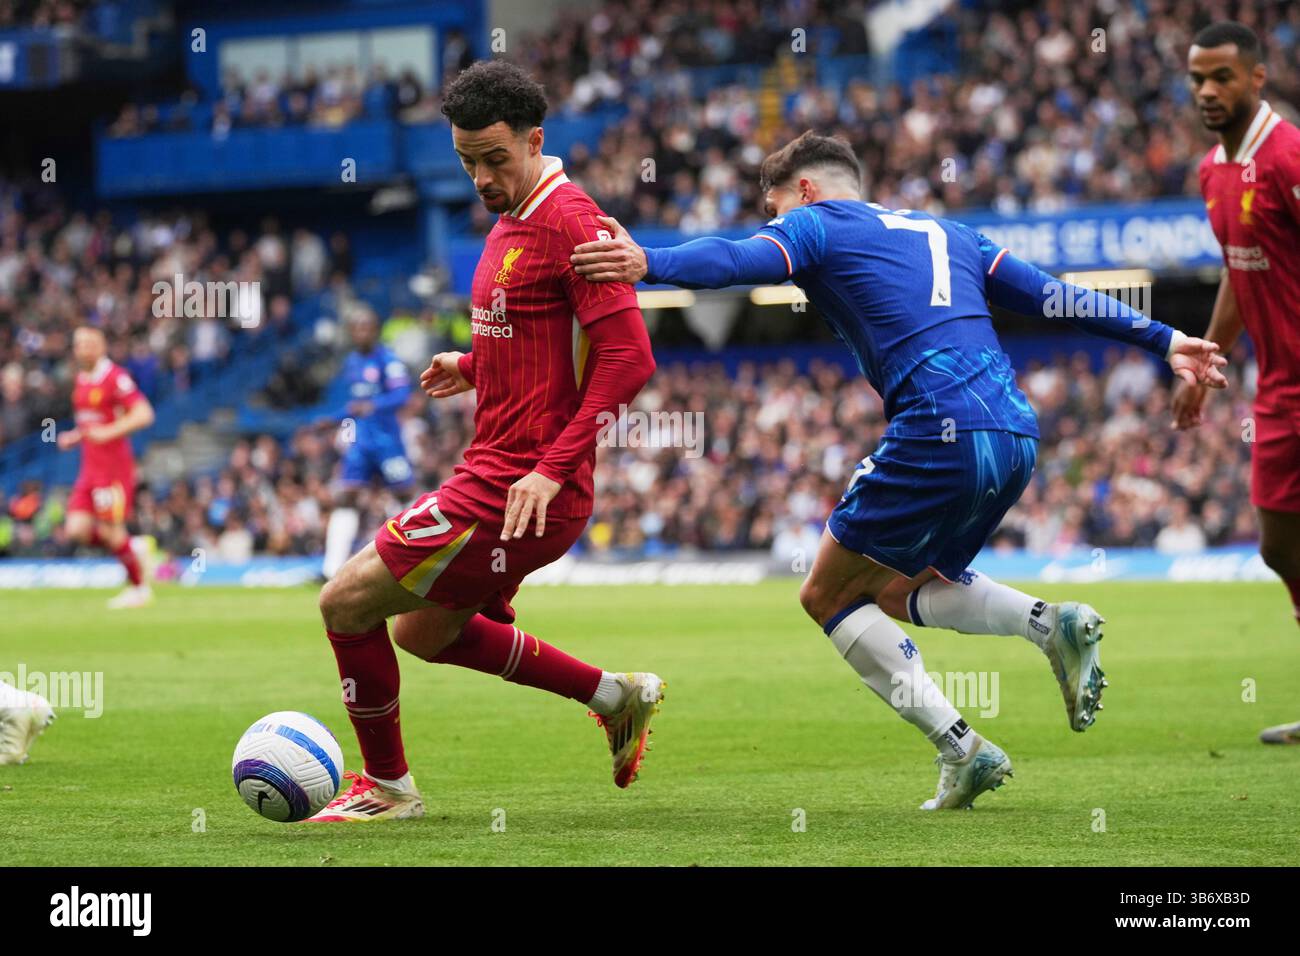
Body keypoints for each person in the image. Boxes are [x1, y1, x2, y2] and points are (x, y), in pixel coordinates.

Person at [571, 130, 1227, 809]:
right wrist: (1167, 339)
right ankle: (1046, 623)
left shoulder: (814, 223)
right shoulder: (954, 234)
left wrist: (649, 260)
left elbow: (738, 259)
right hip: (1015, 431)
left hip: (937, 430)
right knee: (900, 590)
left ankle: (962, 745)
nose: (775, 224)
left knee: (824, 595)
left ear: (803, 190)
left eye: (775, 209)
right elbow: (1055, 296)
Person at [311, 61, 662, 822]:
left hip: (519, 487)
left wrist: (550, 467)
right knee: (424, 631)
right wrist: (474, 364)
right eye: (466, 159)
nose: (479, 175)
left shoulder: (572, 222)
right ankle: (615, 695)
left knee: (344, 603)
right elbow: (543, 339)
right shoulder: (512, 217)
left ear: (536, 140)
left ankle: (387, 790)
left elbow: (631, 359)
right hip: (501, 475)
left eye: (495, 157)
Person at [1174, 21, 1300, 745]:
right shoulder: (1211, 172)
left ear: (1257, 77)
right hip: (1279, 394)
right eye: (1197, 78)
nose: (1208, 91)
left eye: (1222, 76)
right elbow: (1238, 265)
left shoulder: (1287, 157)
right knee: (1281, 547)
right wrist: (1205, 358)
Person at [57, 327, 156, 609]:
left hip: (113, 469)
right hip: (89, 467)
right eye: (79, 345)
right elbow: (91, 422)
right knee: (76, 528)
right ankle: (132, 547)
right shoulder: (81, 379)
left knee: (112, 531)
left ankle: (139, 589)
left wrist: (109, 432)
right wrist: (75, 436)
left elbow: (144, 414)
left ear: (102, 347)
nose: (84, 349)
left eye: (90, 344)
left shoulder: (116, 377)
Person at [321, 305, 414, 580]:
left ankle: (410, 560)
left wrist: (373, 405)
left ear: (375, 331)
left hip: (388, 441)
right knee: (347, 495)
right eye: (357, 327)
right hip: (360, 442)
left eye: (367, 327)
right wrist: (333, 419)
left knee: (404, 494)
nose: (362, 332)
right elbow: (355, 405)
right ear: (351, 332)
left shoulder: (388, 360)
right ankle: (331, 569)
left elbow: (402, 395)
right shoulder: (352, 362)